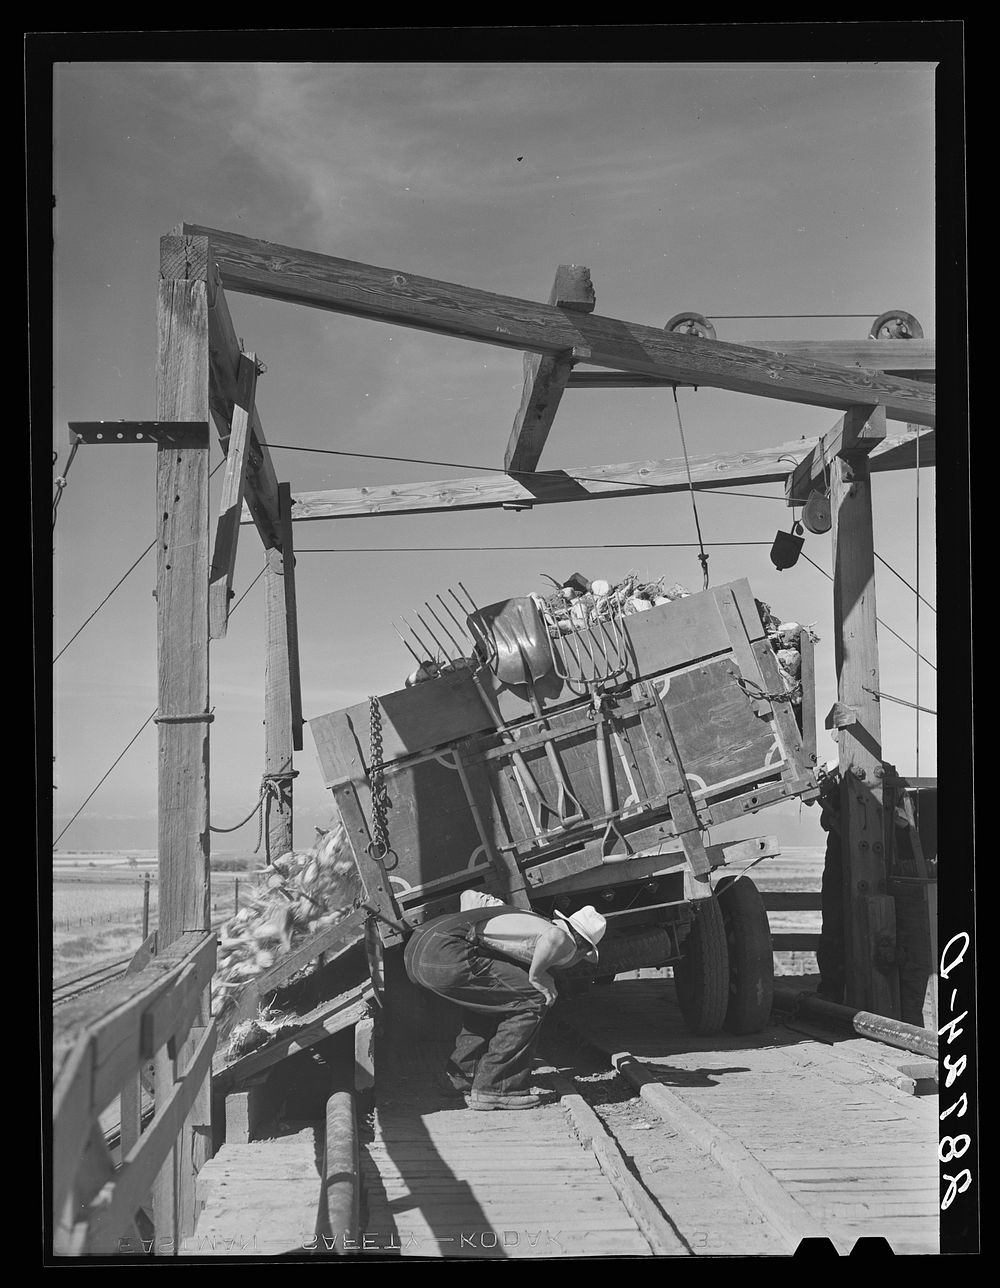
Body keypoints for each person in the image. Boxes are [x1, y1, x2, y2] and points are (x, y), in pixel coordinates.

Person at [403, 892, 607, 1111]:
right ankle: (498, 1088)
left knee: (497, 999)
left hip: (420, 947)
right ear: (583, 948)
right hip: (446, 955)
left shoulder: (523, 917)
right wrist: (537, 976)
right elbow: (555, 939)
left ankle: (462, 1076)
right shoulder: (567, 942)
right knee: (535, 997)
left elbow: (469, 895)